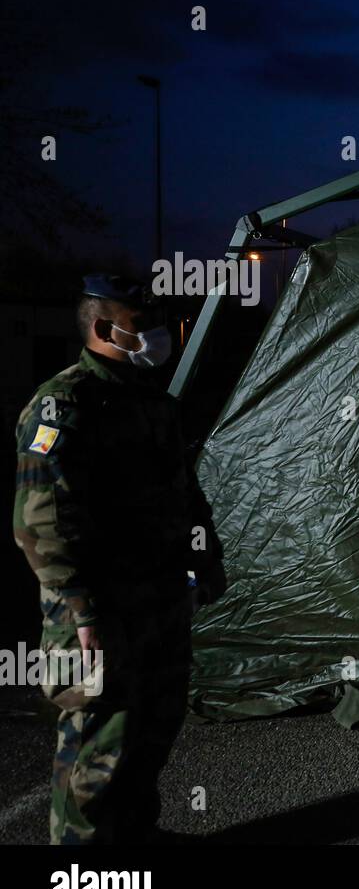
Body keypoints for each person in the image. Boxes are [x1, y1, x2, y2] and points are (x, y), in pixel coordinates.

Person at [13, 274, 226, 844]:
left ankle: (131, 832)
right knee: (96, 740)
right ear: (104, 328)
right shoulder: (63, 405)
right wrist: (80, 609)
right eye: (142, 324)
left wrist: (205, 558)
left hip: (157, 598)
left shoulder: (152, 400)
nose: (156, 334)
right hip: (99, 610)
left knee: (154, 722)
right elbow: (40, 522)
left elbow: (184, 490)